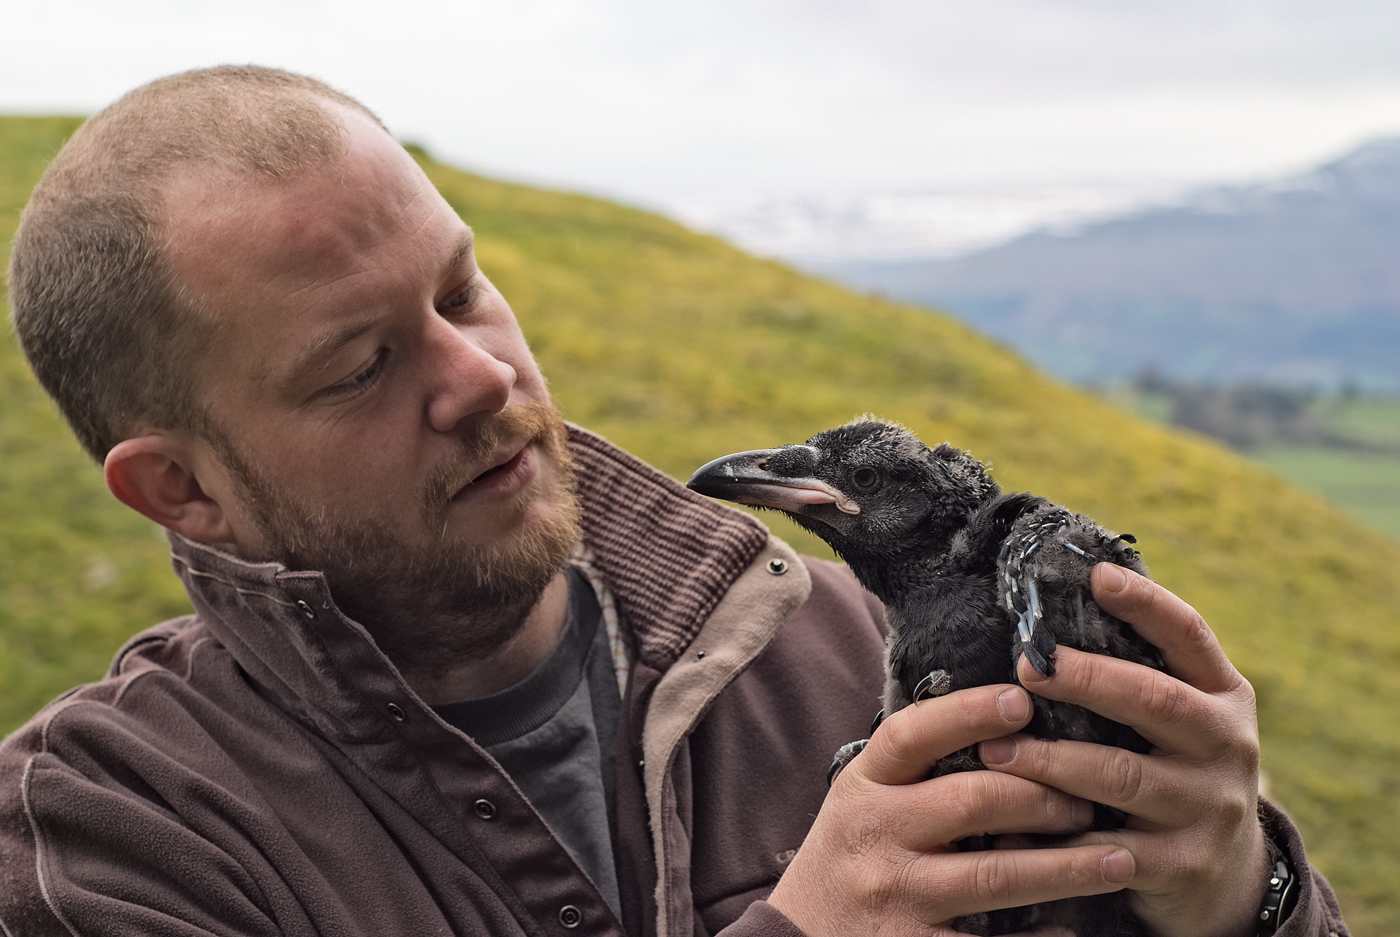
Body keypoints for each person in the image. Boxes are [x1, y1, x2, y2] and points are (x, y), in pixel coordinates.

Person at [0, 66, 1347, 937]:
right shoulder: (109, 840)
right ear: (182, 489)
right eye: (361, 363)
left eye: (462, 290)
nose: (481, 374)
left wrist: (1241, 893)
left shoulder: (831, 636)